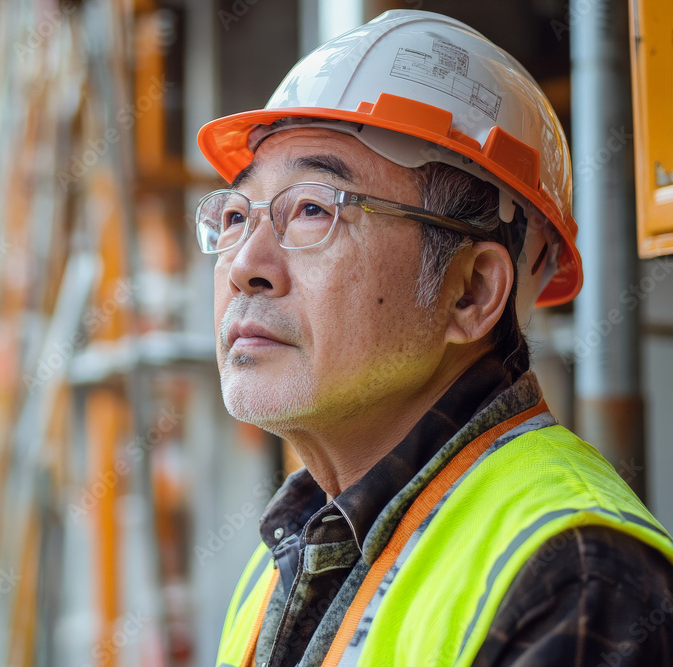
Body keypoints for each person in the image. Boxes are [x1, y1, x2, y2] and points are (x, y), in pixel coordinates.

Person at [193, 10, 673, 666]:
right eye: (237, 213)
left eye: (313, 208)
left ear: (472, 292)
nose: (246, 262)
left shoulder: (575, 578)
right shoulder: (289, 554)